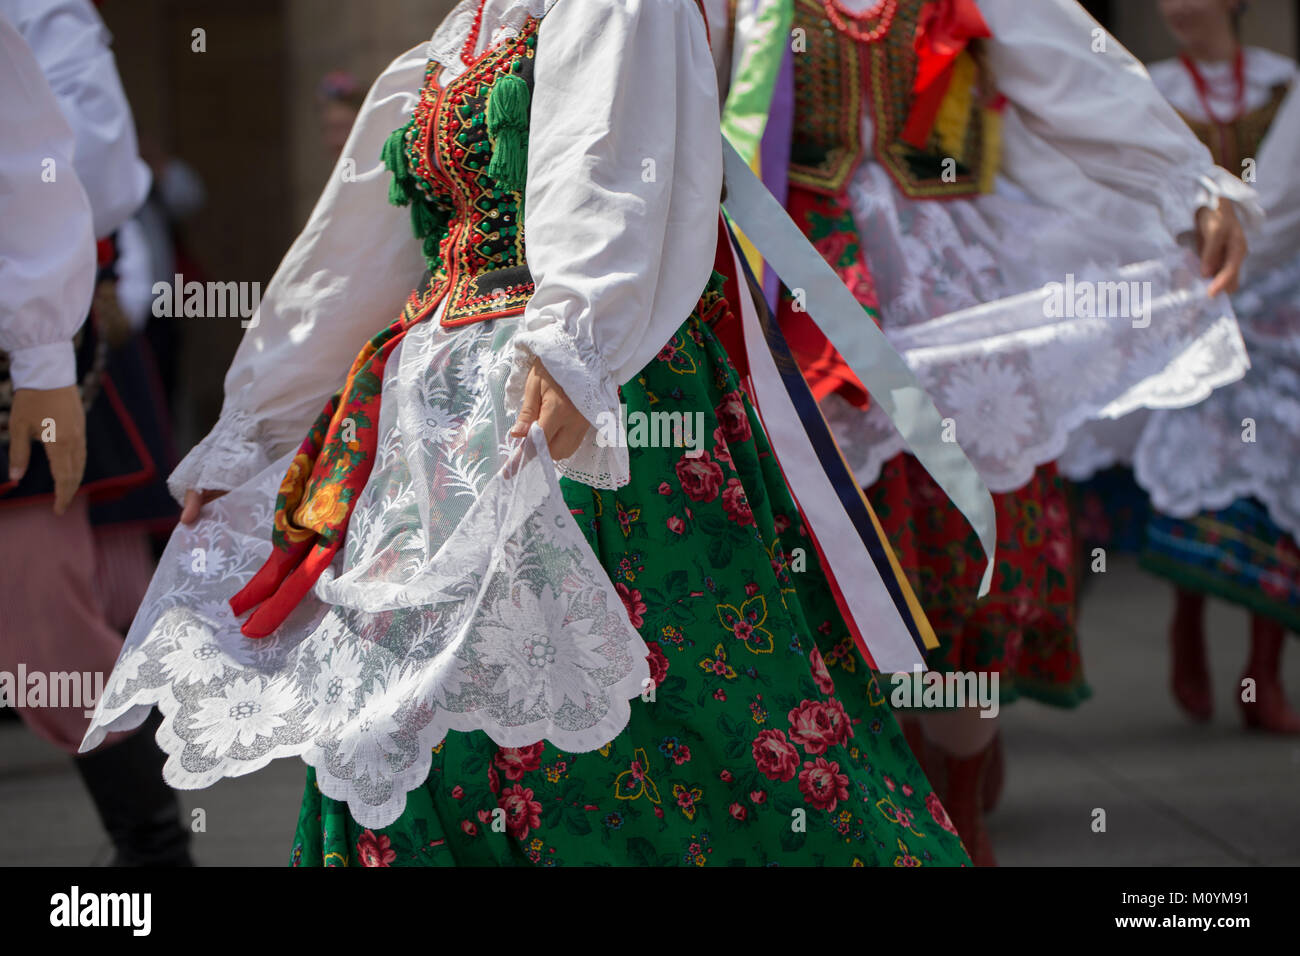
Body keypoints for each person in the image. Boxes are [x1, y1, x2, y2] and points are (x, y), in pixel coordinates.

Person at [82, 0, 1005, 867]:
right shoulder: (459, 33)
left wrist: (571, 342)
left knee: (651, 731)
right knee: (395, 727)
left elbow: (612, 166)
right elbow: (354, 249)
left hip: (588, 411)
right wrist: (261, 422)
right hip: (433, 428)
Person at [729, 0, 1257, 863]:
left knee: (969, 559)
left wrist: (1186, 182)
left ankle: (961, 806)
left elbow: (1074, 70)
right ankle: (882, 805)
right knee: (831, 564)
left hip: (950, 287)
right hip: (796, 281)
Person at [0, 0, 192, 867]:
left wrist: (40, 348)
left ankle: (152, 848)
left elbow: (88, 174)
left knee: (49, 613)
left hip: (25, 338)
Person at [1132, 0, 1300, 733]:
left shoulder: (1281, 85)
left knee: (1284, 477)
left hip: (1281, 307)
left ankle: (1264, 671)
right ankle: (1187, 628)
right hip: (1191, 298)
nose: (1177, 6)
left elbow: (1290, 202)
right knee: (1197, 468)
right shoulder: (1146, 90)